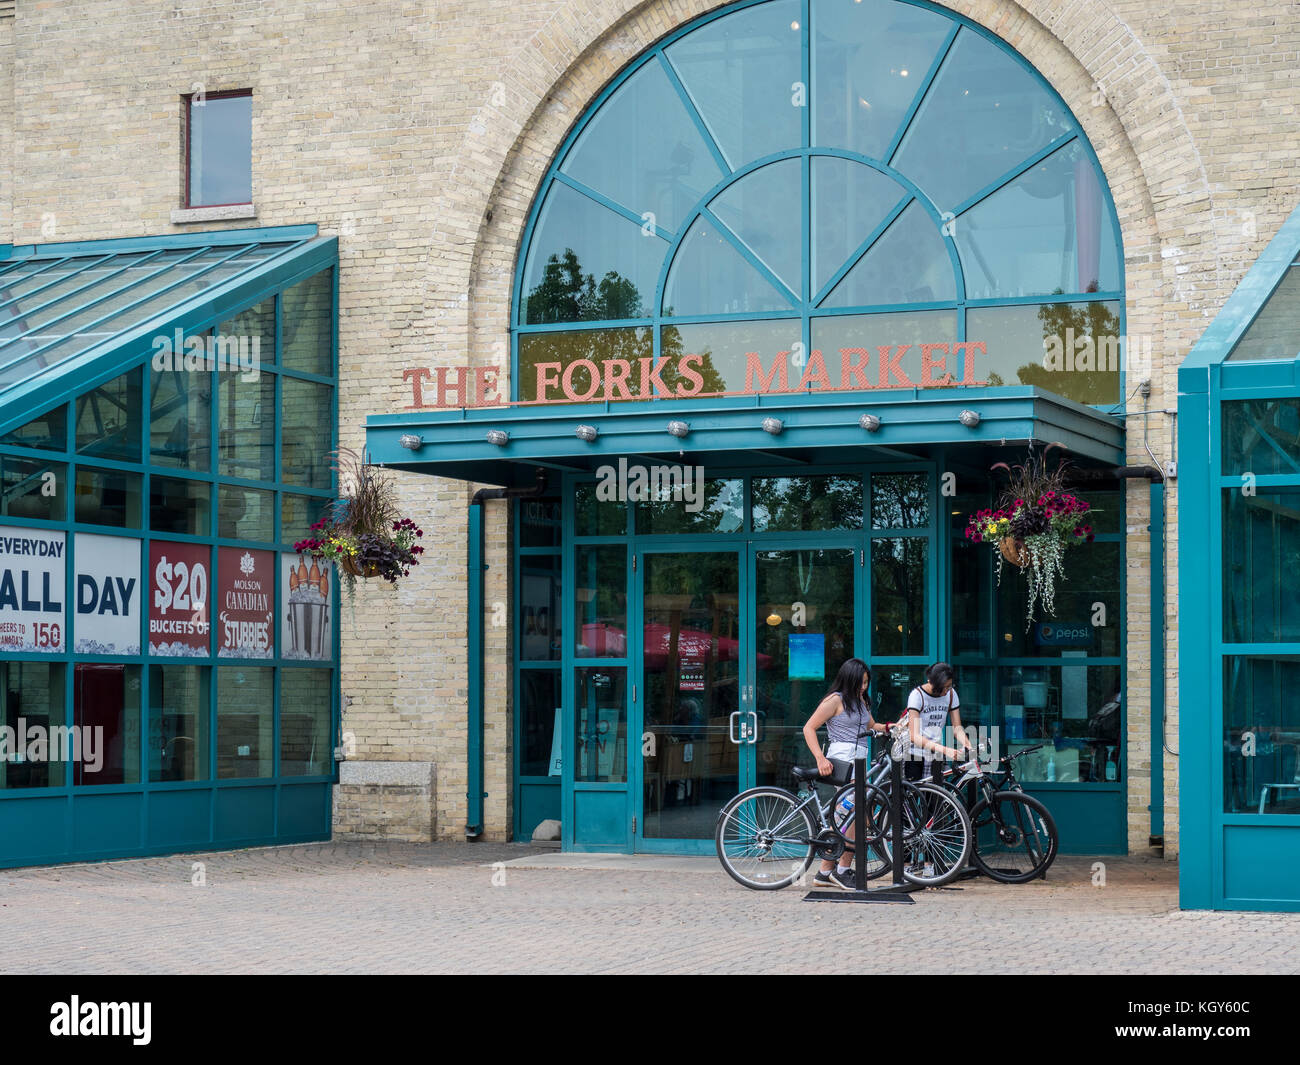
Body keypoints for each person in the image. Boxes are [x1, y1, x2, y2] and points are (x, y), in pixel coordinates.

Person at [801, 657, 888, 890]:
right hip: (841, 759)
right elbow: (809, 727)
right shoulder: (835, 700)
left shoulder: (861, 701)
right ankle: (840, 870)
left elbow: (872, 726)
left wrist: (892, 727)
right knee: (856, 813)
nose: (864, 687)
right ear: (848, 680)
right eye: (860, 683)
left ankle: (825, 872)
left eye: (867, 682)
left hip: (859, 760)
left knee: (855, 815)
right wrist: (820, 758)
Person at [904, 662, 973, 786]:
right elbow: (914, 735)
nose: (947, 690)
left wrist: (968, 745)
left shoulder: (951, 694)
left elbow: (957, 728)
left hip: (936, 754)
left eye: (949, 686)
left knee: (935, 801)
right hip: (915, 754)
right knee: (912, 797)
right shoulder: (917, 695)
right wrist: (945, 750)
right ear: (934, 683)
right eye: (944, 687)